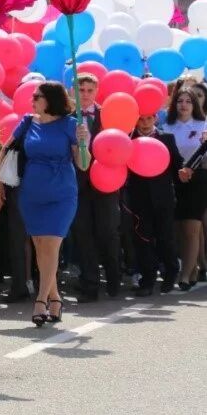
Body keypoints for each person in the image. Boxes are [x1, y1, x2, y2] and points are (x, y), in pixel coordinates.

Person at [0, 82, 90, 326]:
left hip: (61, 192)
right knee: (40, 246)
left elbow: (83, 164)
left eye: (37, 96)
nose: (32, 100)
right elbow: (5, 149)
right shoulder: (28, 121)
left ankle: (41, 300)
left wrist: (84, 141)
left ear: (51, 99)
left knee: (51, 245)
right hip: (32, 192)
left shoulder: (71, 124)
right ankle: (56, 298)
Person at [69, 73, 121, 302]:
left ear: (96, 92)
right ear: (73, 92)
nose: (86, 95)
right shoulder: (68, 118)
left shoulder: (108, 115)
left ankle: (113, 280)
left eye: (90, 90)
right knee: (83, 233)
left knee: (108, 231)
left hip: (106, 181)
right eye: (81, 90)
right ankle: (90, 284)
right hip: (78, 183)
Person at [125, 112, 181, 296]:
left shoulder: (166, 138)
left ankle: (171, 273)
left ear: (156, 118)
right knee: (143, 238)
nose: (146, 122)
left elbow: (176, 165)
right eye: (141, 118)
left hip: (163, 197)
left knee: (166, 237)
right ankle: (147, 279)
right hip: (139, 198)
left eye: (150, 118)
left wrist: (184, 172)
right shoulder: (128, 138)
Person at [164, 89, 207, 290]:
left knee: (192, 228)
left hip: (198, 180)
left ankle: (185, 274)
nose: (183, 104)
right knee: (178, 229)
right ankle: (191, 268)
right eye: (179, 100)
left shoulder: (203, 125)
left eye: (188, 101)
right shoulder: (165, 127)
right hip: (174, 180)